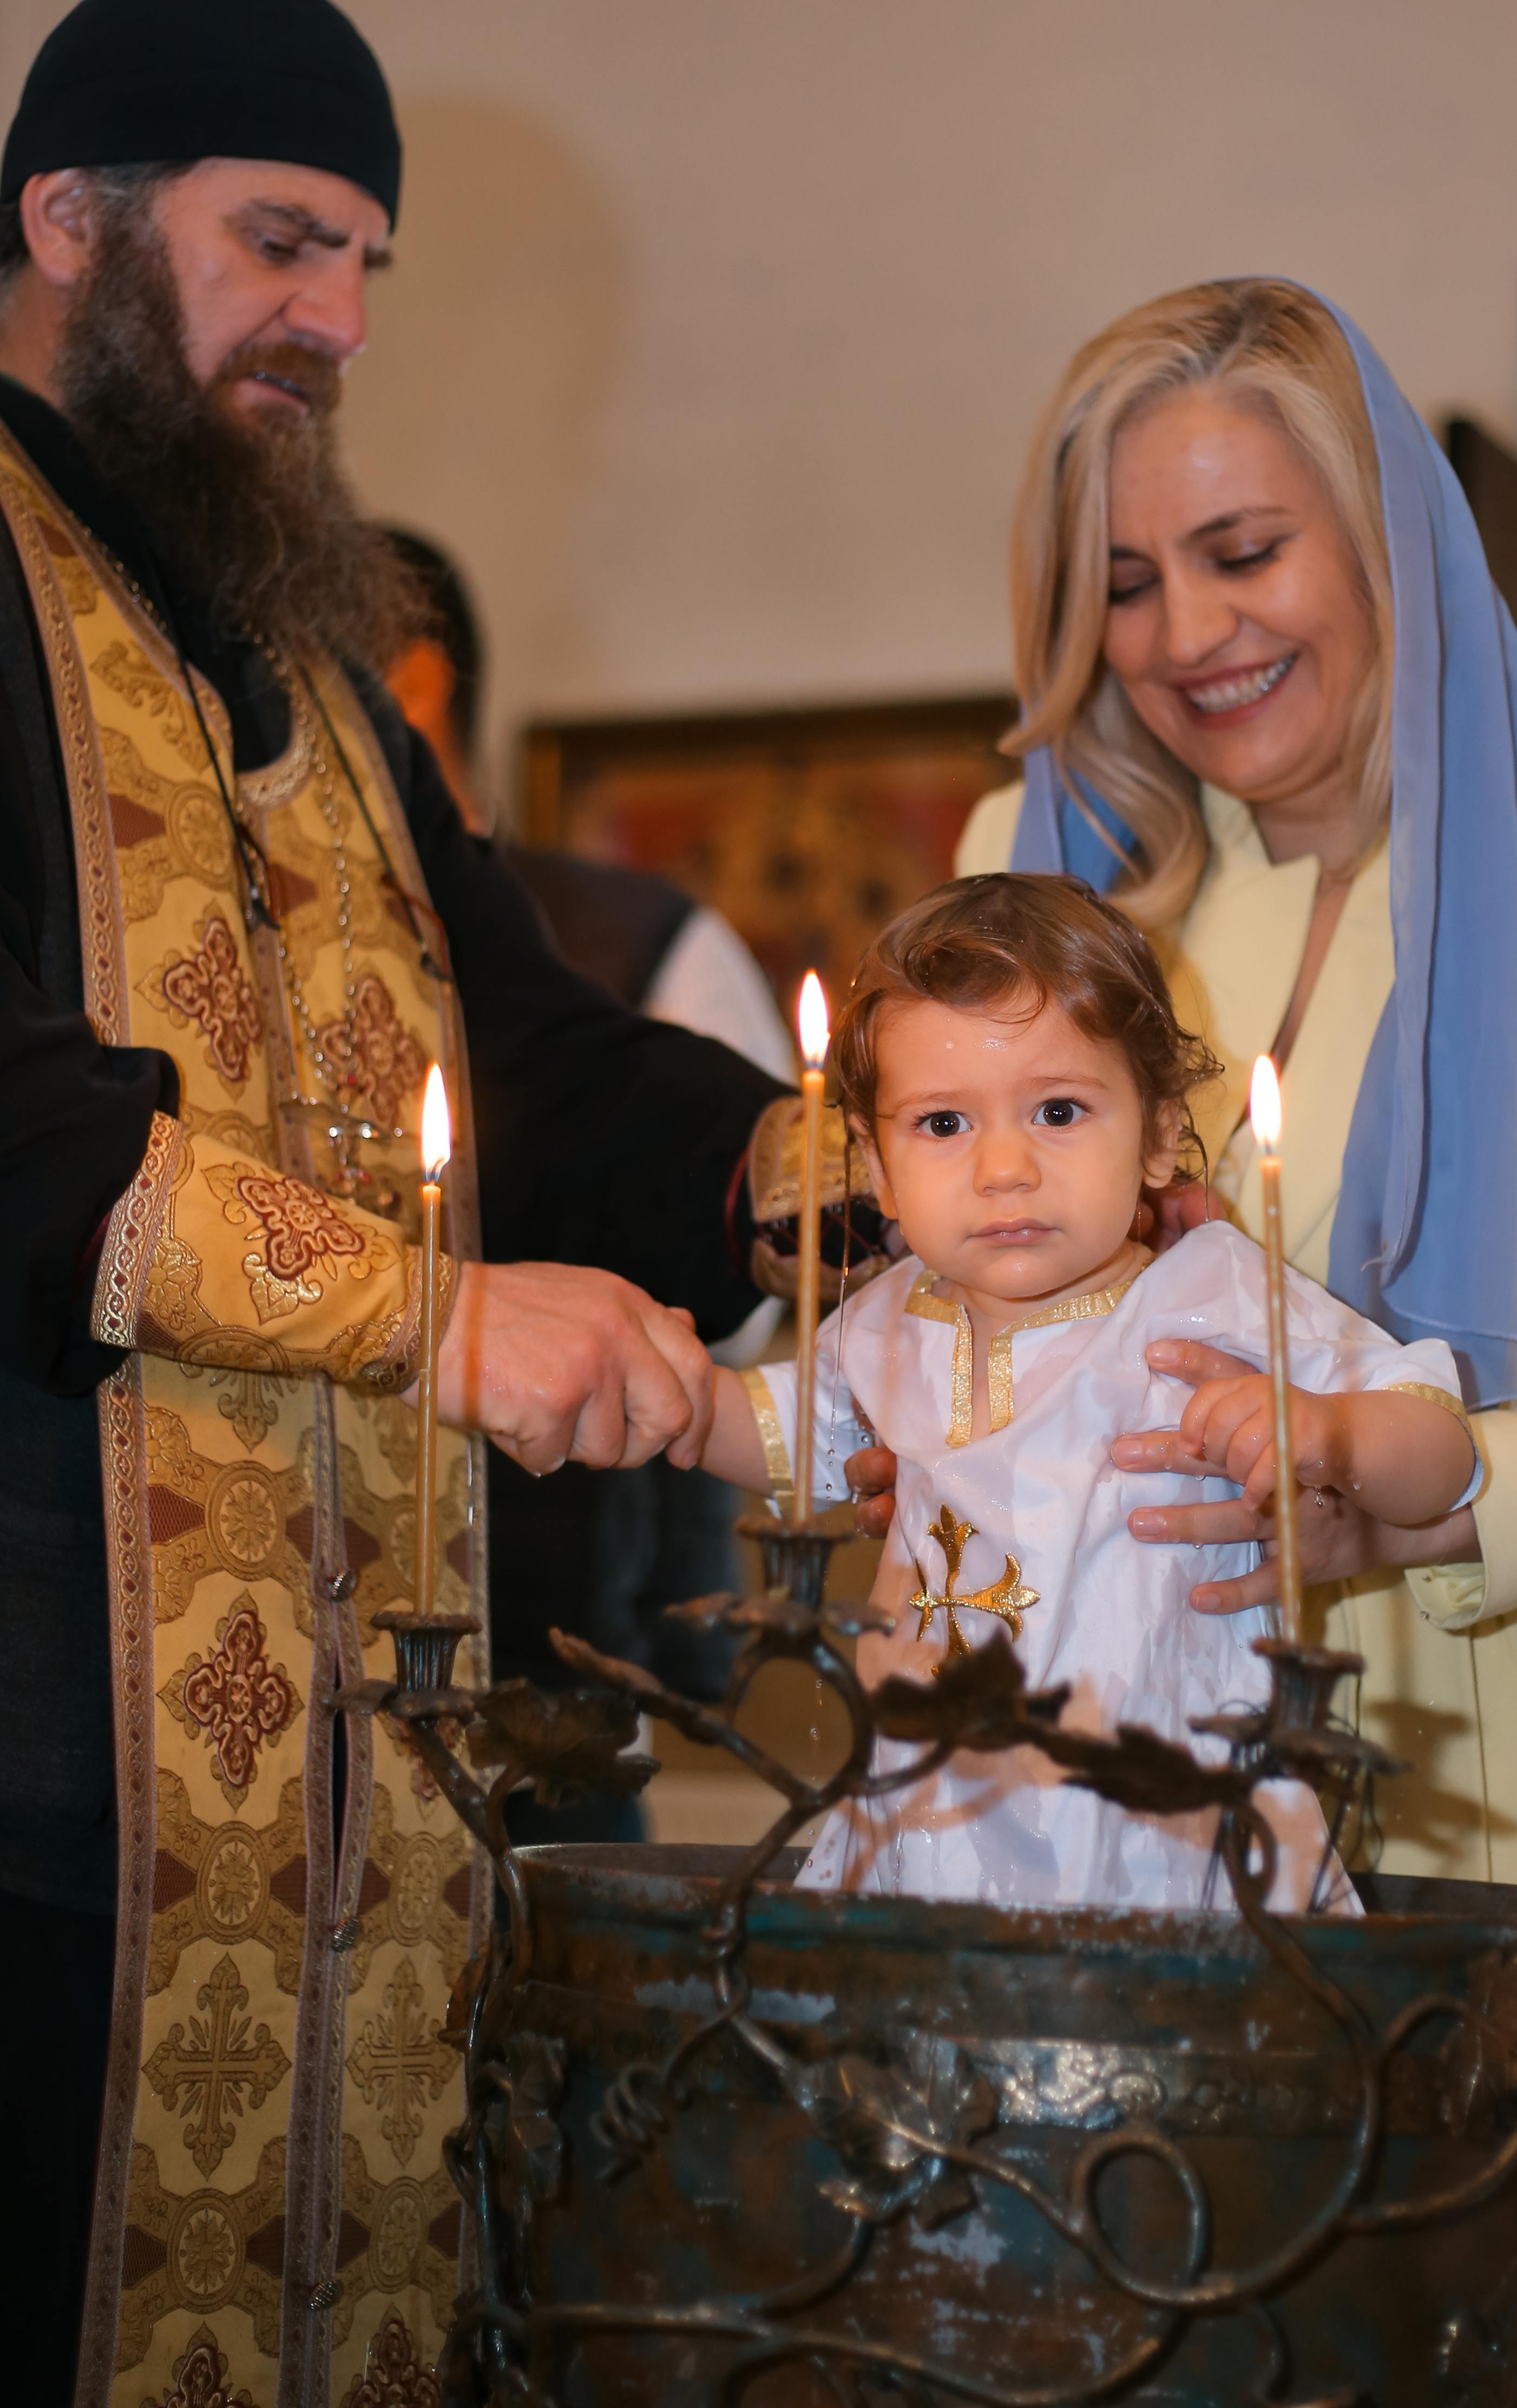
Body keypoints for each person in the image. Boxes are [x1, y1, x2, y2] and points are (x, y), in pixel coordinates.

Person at [0, 5, 796, 2398]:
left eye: (362, 260)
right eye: (278, 240)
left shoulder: (321, 664)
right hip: (45, 1801)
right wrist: (429, 1320)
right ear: (66, 220)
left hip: (363, 1808)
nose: (335, 321)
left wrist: (824, 1172)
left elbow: (520, 1063)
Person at [918, 277, 1517, 2392]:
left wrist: (1430, 1470)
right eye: (1120, 583)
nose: (1186, 633)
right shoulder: (1083, 927)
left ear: (1381, 546)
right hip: (1139, 1814)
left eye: (1240, 550)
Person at [699, 874, 1475, 1910]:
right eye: (941, 1125)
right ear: (877, 1170)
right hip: (922, 1816)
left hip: (1157, 1816)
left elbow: (1441, 1455)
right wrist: (686, 1410)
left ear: (1158, 1135)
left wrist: (1330, 1430)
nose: (1004, 1166)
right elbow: (791, 1435)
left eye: (1057, 1110)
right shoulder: (885, 1318)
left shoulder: (1209, 1294)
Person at [383, 529, 793, 1811]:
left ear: (410, 686)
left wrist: (818, 1170)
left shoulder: (639, 934)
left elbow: (748, 1308)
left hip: (556, 1657)